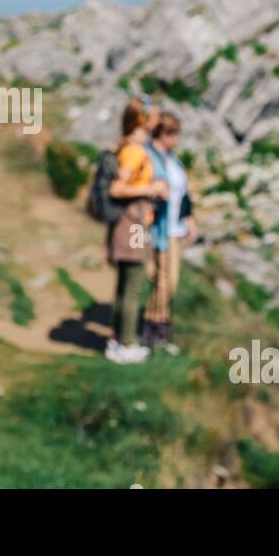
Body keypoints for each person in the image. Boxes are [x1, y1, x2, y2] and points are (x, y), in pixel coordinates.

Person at [105, 98, 169, 364]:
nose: (158, 117)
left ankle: (118, 340)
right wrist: (151, 189)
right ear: (142, 120)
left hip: (127, 223)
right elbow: (117, 188)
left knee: (124, 286)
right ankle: (127, 344)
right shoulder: (134, 151)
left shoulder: (129, 147)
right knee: (132, 286)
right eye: (153, 114)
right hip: (133, 224)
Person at [143, 112, 197, 353]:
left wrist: (190, 218)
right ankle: (152, 324)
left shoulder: (173, 160)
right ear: (164, 134)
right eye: (174, 134)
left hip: (175, 227)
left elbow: (183, 193)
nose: (177, 139)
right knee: (162, 279)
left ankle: (159, 323)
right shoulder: (150, 157)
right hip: (158, 227)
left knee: (169, 281)